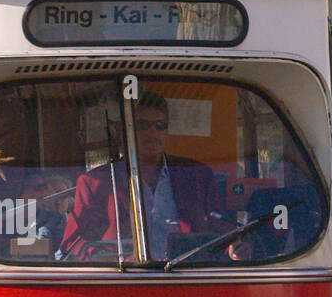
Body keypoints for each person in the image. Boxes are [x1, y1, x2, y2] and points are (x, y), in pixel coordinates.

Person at [58, 92, 226, 261]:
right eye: (142, 125)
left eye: (160, 125)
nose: (152, 132)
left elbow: (220, 227)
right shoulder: (95, 183)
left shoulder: (196, 175)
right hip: (124, 278)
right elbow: (73, 243)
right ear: (123, 131)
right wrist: (105, 257)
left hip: (187, 275)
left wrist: (236, 246)